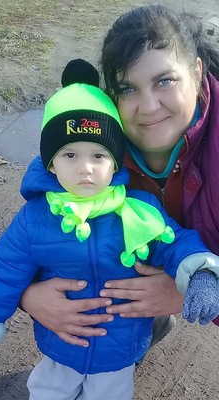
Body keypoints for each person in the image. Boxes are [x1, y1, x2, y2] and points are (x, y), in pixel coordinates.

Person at [0, 60, 219, 400]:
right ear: (51, 163)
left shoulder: (138, 210)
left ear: (115, 161)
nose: (85, 169)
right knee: (49, 390)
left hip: (120, 349)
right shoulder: (35, 218)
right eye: (70, 155)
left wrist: (201, 272)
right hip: (61, 343)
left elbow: (175, 242)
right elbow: (4, 268)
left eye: (98, 155)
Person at [19, 4, 219, 348]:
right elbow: (39, 222)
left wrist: (184, 292)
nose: (149, 107)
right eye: (127, 89)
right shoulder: (98, 143)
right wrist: (29, 294)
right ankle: (139, 330)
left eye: (165, 81)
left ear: (197, 72)